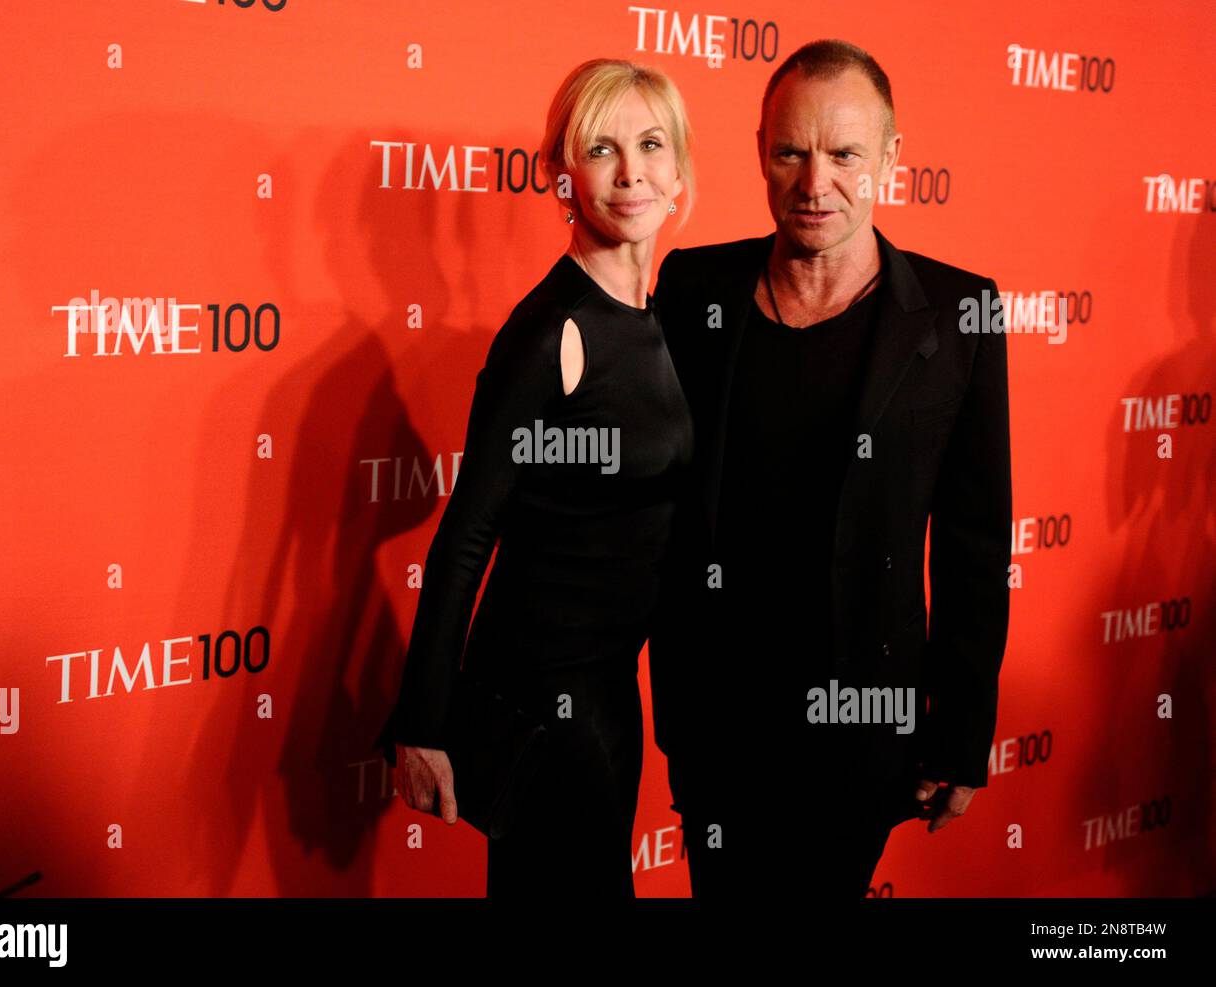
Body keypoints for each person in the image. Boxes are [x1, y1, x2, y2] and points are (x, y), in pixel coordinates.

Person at [650, 39, 1012, 899]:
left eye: (845, 153)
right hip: (718, 724)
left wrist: (960, 733)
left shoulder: (959, 313)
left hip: (861, 724)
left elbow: (973, 542)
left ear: (891, 157)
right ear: (761, 152)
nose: (815, 184)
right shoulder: (694, 286)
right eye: (791, 152)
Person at [373, 58, 695, 897]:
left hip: (612, 694)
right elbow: (467, 533)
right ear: (562, 176)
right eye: (602, 149)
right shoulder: (550, 332)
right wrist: (423, 723)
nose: (631, 171)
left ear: (681, 172)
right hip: (541, 698)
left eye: (651, 145)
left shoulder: (663, 322)